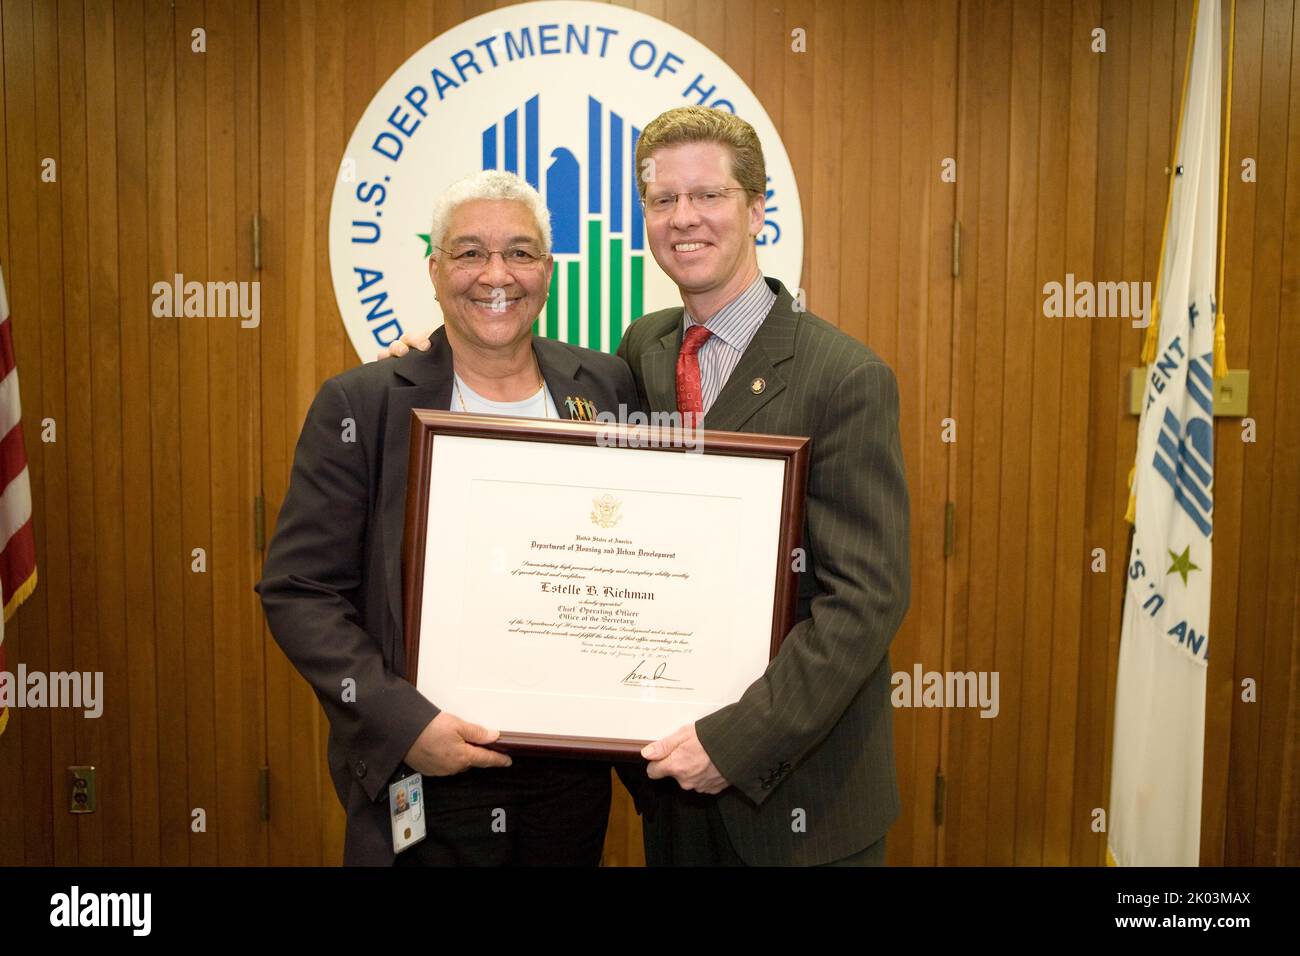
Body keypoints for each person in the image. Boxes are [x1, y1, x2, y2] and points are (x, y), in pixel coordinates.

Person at [389, 107, 910, 867]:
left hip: (802, 808)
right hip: (672, 796)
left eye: (708, 196)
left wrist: (732, 742)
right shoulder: (646, 349)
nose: (683, 218)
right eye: (663, 200)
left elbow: (865, 602)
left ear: (757, 208)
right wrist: (435, 354)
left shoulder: (846, 377)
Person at [257, 170, 640, 866]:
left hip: (569, 779)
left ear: (547, 271)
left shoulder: (606, 385)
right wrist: (405, 726)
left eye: (520, 253)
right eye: (469, 253)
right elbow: (300, 591)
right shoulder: (364, 404)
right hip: (427, 770)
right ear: (433, 270)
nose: (497, 274)